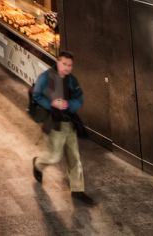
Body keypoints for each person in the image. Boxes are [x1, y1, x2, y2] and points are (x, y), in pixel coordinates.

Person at [31, 53, 92, 204]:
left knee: (74, 156)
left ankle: (78, 190)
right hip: (54, 122)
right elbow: (36, 95)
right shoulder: (46, 77)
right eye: (64, 64)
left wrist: (69, 104)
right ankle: (38, 163)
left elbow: (79, 97)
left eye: (70, 65)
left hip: (69, 121)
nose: (67, 68)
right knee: (54, 156)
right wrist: (52, 103)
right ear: (58, 63)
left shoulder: (72, 80)